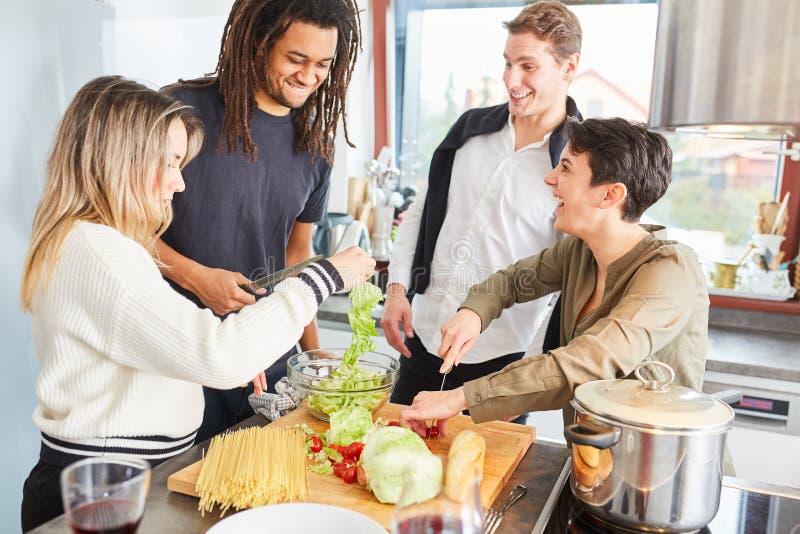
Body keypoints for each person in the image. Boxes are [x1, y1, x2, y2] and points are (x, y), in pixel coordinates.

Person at [19, 76, 374, 532]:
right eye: (169, 163)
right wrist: (323, 277)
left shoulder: (96, 242)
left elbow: (148, 344)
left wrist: (239, 346)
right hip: (107, 491)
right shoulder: (97, 251)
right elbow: (218, 356)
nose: (179, 183)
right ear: (119, 159)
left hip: (124, 478)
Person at [398, 117, 709, 441]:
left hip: (662, 471)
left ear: (609, 195)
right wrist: (473, 313)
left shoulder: (671, 271)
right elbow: (511, 281)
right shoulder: (580, 251)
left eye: (566, 168)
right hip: (591, 459)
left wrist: (460, 397)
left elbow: (589, 361)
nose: (550, 178)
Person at [156, 0, 362, 442]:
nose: (309, 77)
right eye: (296, 59)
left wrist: (313, 356)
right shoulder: (178, 113)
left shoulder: (316, 147)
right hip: (180, 358)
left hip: (266, 360)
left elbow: (297, 256)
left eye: (323, 64)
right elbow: (120, 229)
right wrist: (195, 279)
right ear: (257, 42)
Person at [382, 1, 582, 414]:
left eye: (528, 66)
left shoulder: (580, 163)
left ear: (568, 67)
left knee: (490, 477)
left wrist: (535, 360)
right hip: (423, 340)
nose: (511, 80)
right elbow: (421, 213)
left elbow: (572, 272)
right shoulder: (470, 131)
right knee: (391, 464)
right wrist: (397, 289)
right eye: (507, 63)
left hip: (502, 362)